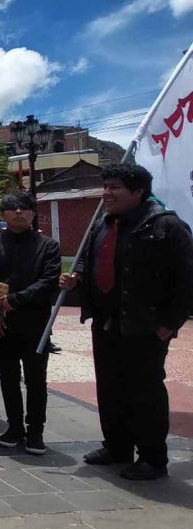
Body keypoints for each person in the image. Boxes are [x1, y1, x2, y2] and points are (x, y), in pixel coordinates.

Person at [61, 163, 193, 480]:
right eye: (105, 186)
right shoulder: (103, 224)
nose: (106, 193)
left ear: (138, 192)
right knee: (110, 388)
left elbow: (187, 280)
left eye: (115, 187)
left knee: (143, 391)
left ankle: (152, 458)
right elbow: (89, 259)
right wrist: (77, 277)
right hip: (106, 322)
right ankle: (117, 446)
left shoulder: (166, 226)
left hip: (145, 326)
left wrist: (169, 323)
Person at [0, 192, 61, 455]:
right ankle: (14, 428)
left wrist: (16, 300)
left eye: (25, 208)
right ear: (3, 214)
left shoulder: (48, 246)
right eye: (12, 209)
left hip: (35, 323)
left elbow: (48, 281)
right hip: (2, 325)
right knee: (8, 377)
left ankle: (36, 431)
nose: (19, 212)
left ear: (33, 213)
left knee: (36, 380)